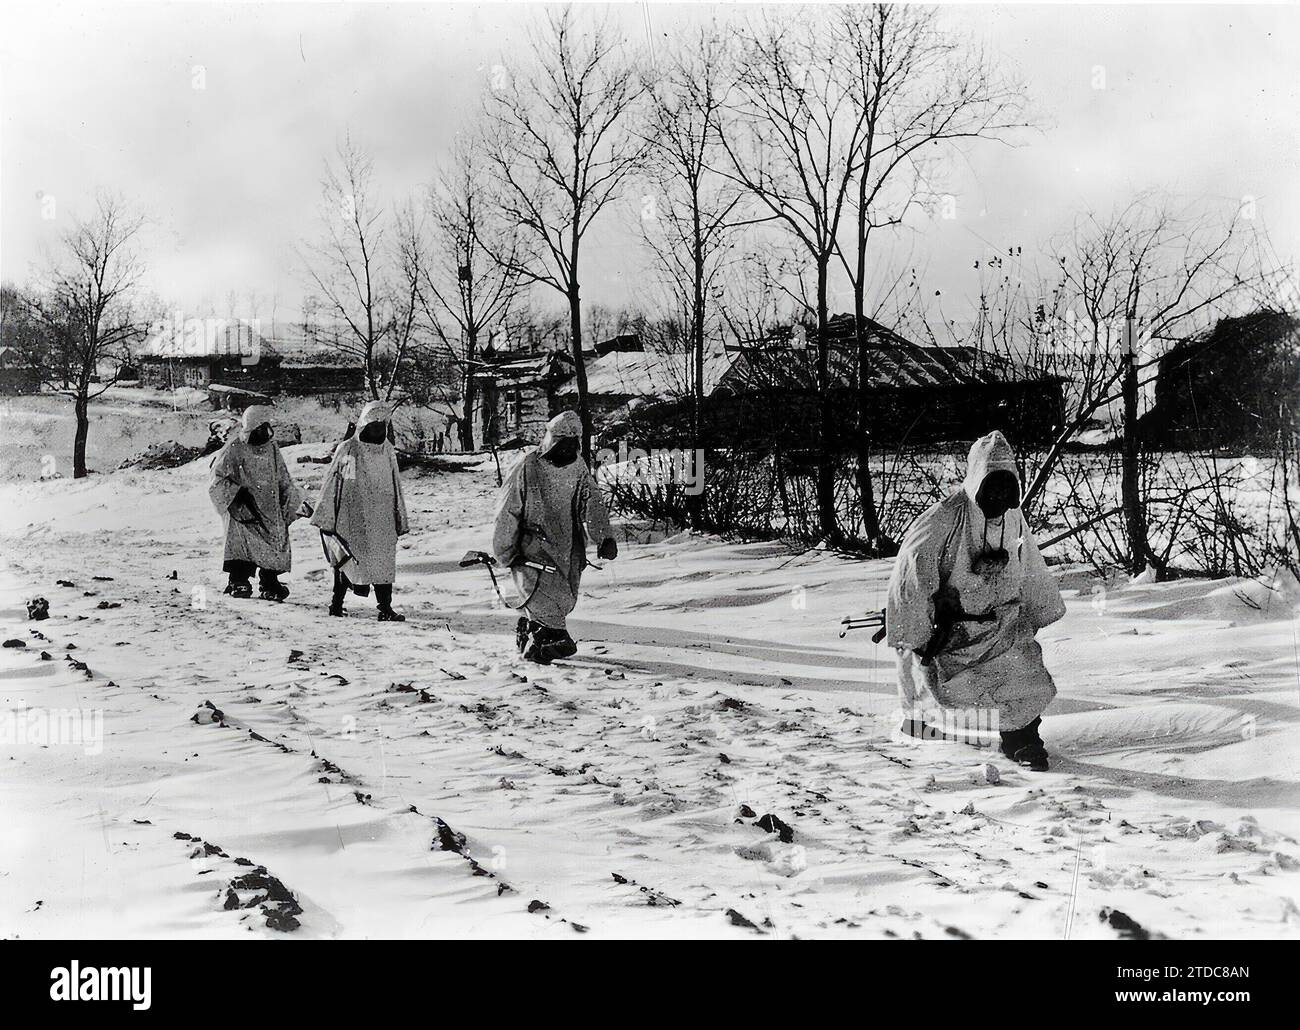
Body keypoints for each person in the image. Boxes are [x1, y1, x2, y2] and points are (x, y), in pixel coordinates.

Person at [885, 430, 1066, 771]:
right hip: (957, 634)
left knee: (1024, 679)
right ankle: (941, 737)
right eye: (991, 487)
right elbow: (911, 577)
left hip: (1004, 626)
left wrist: (1037, 611)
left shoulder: (1013, 519)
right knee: (954, 696)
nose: (998, 497)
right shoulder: (943, 520)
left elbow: (1029, 565)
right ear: (976, 482)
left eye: (1005, 488)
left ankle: (1025, 742)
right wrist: (917, 635)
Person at [492, 410, 618, 664]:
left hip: (567, 546)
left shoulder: (578, 467)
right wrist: (504, 549)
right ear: (552, 441)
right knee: (543, 598)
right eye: (563, 444)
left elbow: (591, 501)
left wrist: (604, 537)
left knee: (562, 598)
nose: (567, 450)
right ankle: (550, 640)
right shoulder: (527, 466)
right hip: (531, 547)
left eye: (573, 445)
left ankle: (535, 633)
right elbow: (508, 509)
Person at [310, 400, 410, 621]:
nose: (378, 430)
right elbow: (337, 483)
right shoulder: (349, 450)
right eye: (374, 426)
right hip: (353, 517)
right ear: (365, 425)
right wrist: (328, 516)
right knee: (348, 562)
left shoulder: (387, 451)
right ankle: (336, 604)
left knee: (383, 563)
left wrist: (399, 517)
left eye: (382, 426)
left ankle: (385, 608)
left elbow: (396, 485)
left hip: (382, 518)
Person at [208, 404, 303, 601]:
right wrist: (235, 495)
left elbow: (283, 478)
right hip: (244, 510)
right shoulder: (233, 449)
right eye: (262, 428)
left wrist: (290, 502)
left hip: (269, 507)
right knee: (242, 544)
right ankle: (238, 580)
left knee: (273, 543)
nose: (266, 433)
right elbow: (216, 481)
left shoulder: (272, 449)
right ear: (252, 428)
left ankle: (269, 582)